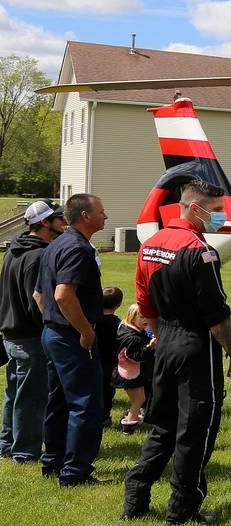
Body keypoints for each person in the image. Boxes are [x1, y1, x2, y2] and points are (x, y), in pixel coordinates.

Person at [123, 180, 231, 524]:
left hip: (166, 343)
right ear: (195, 208)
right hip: (195, 347)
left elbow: (145, 305)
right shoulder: (200, 251)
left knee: (163, 425)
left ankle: (136, 495)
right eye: (217, 210)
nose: (220, 217)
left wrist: (162, 338)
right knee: (196, 431)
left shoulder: (150, 245)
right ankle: (182, 509)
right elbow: (217, 315)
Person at [34, 193, 108, 486]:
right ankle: (75, 473)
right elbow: (63, 294)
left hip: (52, 333)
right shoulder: (78, 248)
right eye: (101, 212)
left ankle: (52, 462)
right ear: (86, 216)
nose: (106, 216)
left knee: (59, 401)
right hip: (71, 337)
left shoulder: (55, 245)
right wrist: (85, 331)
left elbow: (39, 294)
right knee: (86, 404)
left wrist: (54, 323)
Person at [0, 201, 65, 464]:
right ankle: (25, 452)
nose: (63, 222)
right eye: (58, 218)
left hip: (11, 334)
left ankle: (7, 444)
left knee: (14, 393)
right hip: (30, 337)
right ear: (45, 222)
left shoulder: (14, 250)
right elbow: (36, 301)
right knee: (31, 398)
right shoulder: (39, 256)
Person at [113, 304, 156, 436]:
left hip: (133, 373)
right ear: (132, 318)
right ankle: (127, 426)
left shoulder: (132, 330)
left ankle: (133, 417)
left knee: (141, 398)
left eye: (147, 317)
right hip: (130, 374)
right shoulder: (133, 337)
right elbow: (135, 357)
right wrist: (150, 347)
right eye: (141, 317)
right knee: (138, 400)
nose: (146, 320)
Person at [98, 286, 123, 427]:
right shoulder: (118, 324)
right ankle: (104, 418)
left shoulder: (92, 321)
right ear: (118, 304)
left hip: (94, 360)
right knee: (107, 392)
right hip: (110, 363)